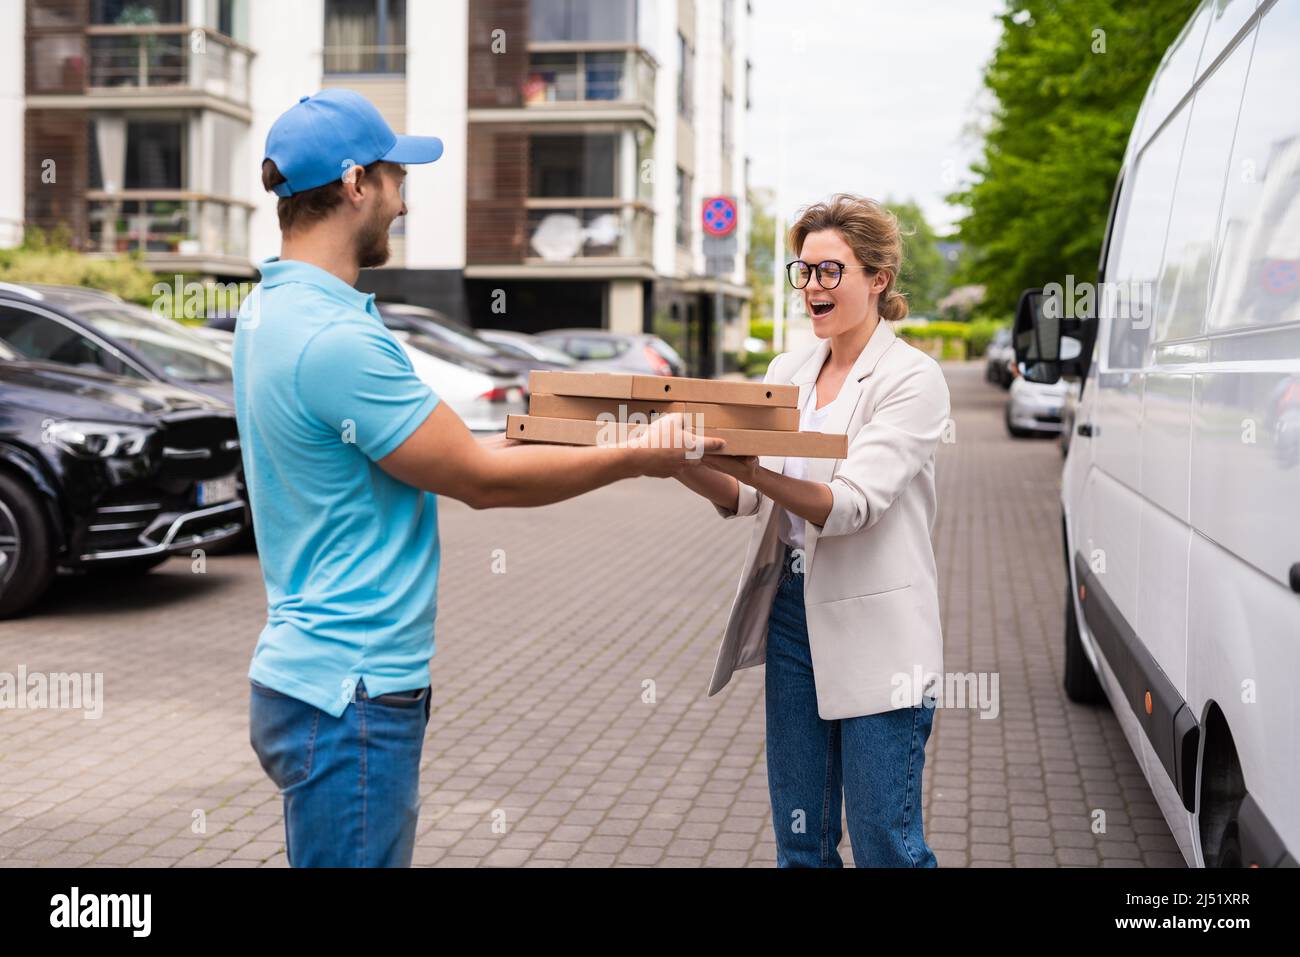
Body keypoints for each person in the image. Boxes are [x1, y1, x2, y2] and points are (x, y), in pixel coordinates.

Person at [235, 88, 721, 867]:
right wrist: (640, 452)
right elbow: (481, 477)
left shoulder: (270, 310)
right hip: (350, 694)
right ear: (356, 183)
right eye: (396, 177)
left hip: (313, 679)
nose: (403, 199)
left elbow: (427, 445)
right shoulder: (331, 338)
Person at [675, 193, 951, 867]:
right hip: (793, 616)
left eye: (832, 271)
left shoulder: (912, 378)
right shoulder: (788, 373)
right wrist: (674, 463)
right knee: (802, 842)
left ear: (878, 279)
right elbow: (746, 496)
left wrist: (755, 471)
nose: (813, 287)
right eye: (805, 271)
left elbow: (852, 503)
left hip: (879, 630)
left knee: (887, 845)